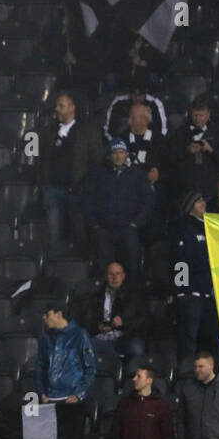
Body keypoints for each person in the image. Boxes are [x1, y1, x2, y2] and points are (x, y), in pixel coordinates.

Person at [36, 301, 96, 439]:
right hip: (50, 400)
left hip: (71, 401)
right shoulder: (45, 337)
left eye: (47, 314)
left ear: (59, 313)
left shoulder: (79, 334)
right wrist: (42, 392)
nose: (44, 318)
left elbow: (90, 368)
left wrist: (78, 394)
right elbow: (40, 367)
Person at [84, 139, 153, 276]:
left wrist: (136, 223)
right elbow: (87, 201)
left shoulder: (137, 175)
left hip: (129, 230)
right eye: (115, 153)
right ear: (109, 155)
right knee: (104, 270)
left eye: (121, 152)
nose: (118, 156)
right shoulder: (98, 175)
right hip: (104, 230)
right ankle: (105, 297)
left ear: (126, 154)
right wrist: (95, 226)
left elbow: (148, 201)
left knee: (132, 268)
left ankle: (131, 296)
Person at [173, 195, 219, 362]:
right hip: (192, 294)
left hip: (209, 293)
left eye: (203, 201)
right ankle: (185, 372)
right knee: (189, 340)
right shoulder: (184, 228)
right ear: (190, 206)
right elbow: (180, 261)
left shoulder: (209, 227)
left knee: (211, 339)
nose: (203, 204)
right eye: (198, 201)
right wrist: (182, 291)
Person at [77, 261, 149, 373]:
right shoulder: (96, 296)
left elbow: (145, 320)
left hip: (125, 338)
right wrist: (98, 326)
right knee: (83, 347)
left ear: (123, 276)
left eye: (118, 274)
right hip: (102, 338)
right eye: (111, 274)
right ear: (106, 276)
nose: (114, 278)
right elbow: (86, 320)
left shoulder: (133, 296)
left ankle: (129, 380)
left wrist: (123, 323)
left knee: (136, 348)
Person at [40, 91, 87, 246]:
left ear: (72, 107)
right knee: (54, 237)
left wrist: (83, 185)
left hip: (76, 191)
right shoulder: (50, 131)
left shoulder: (83, 131)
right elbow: (39, 156)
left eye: (62, 106)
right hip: (53, 191)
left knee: (79, 235)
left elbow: (94, 159)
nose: (57, 109)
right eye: (57, 106)